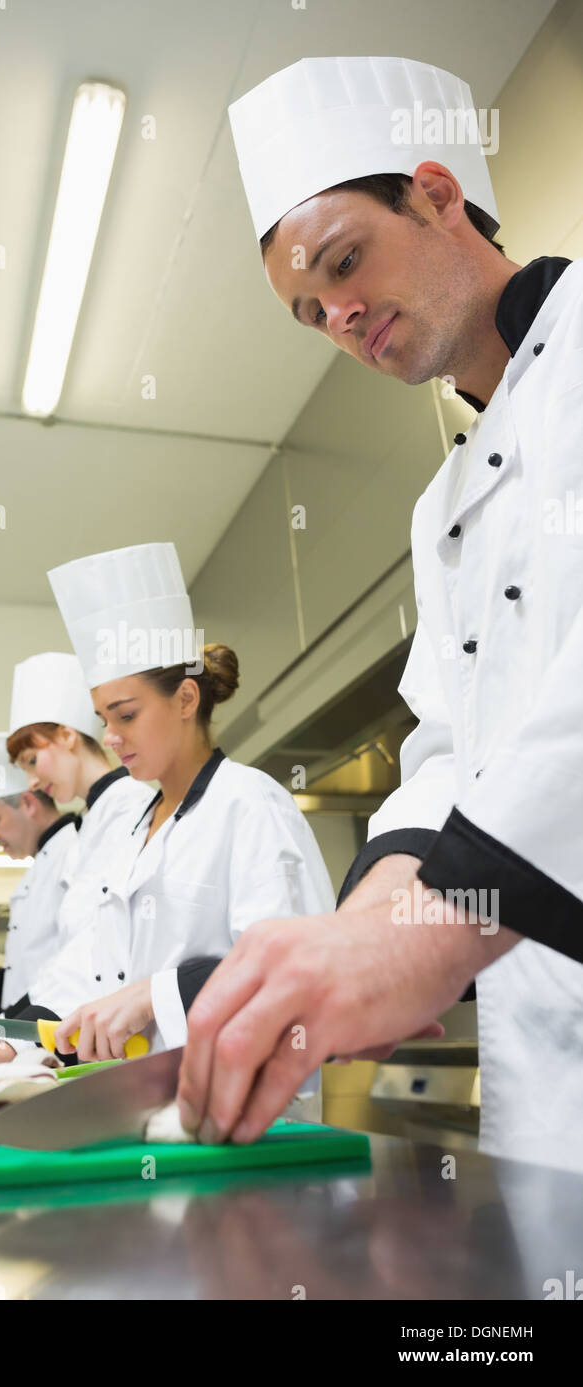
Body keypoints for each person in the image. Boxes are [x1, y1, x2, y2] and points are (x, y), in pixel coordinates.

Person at [174, 55, 583, 1170]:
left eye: (344, 263)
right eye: (310, 311)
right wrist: (365, 935)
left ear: (438, 195)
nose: (339, 316)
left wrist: (437, 929)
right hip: (549, 1085)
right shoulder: (439, 508)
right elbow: (452, 755)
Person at [2, 543, 335, 1120]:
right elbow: (94, 957)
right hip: (144, 1116)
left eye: (125, 715)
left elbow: (292, 968)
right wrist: (16, 1038)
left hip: (243, 1121)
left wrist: (154, 995)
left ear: (185, 699)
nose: (109, 736)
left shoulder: (251, 805)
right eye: (103, 719)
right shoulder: (136, 826)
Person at [0, 652, 150, 1066]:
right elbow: (66, 957)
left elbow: (102, 949)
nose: (32, 781)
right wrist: (11, 1031)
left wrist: (16, 1038)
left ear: (68, 736)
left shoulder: (134, 808)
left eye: (32, 760)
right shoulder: (91, 824)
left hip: (120, 1047)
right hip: (75, 1036)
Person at [0, 727, 79, 1015]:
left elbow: (76, 968)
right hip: (27, 1038)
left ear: (29, 804)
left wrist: (7, 1026)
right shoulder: (41, 864)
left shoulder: (77, 854)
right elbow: (38, 964)